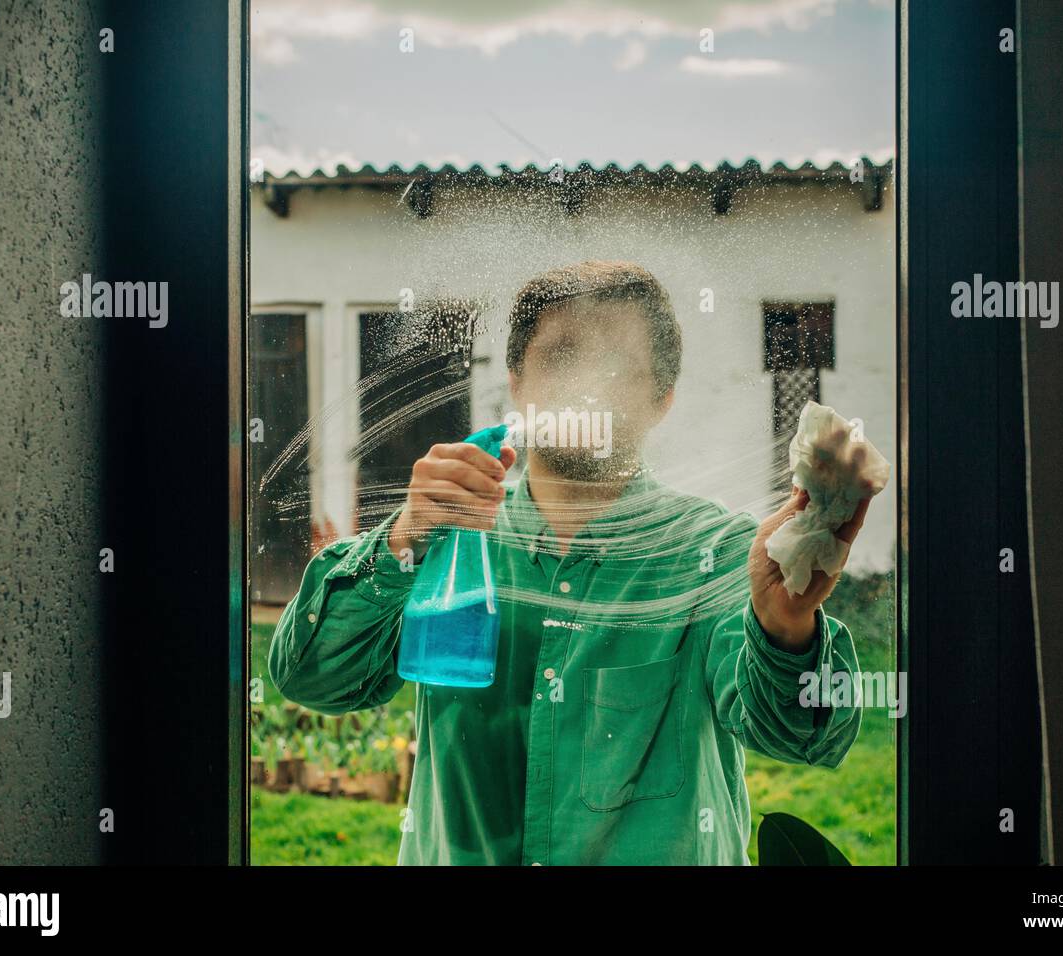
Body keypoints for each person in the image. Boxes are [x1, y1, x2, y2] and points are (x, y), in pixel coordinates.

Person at [268, 260, 871, 865]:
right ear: (518, 385)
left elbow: (806, 736)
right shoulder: (446, 539)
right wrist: (402, 536)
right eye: (561, 358)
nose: (587, 385)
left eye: (616, 364)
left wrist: (787, 627)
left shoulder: (715, 555)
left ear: (661, 398)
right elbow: (311, 677)